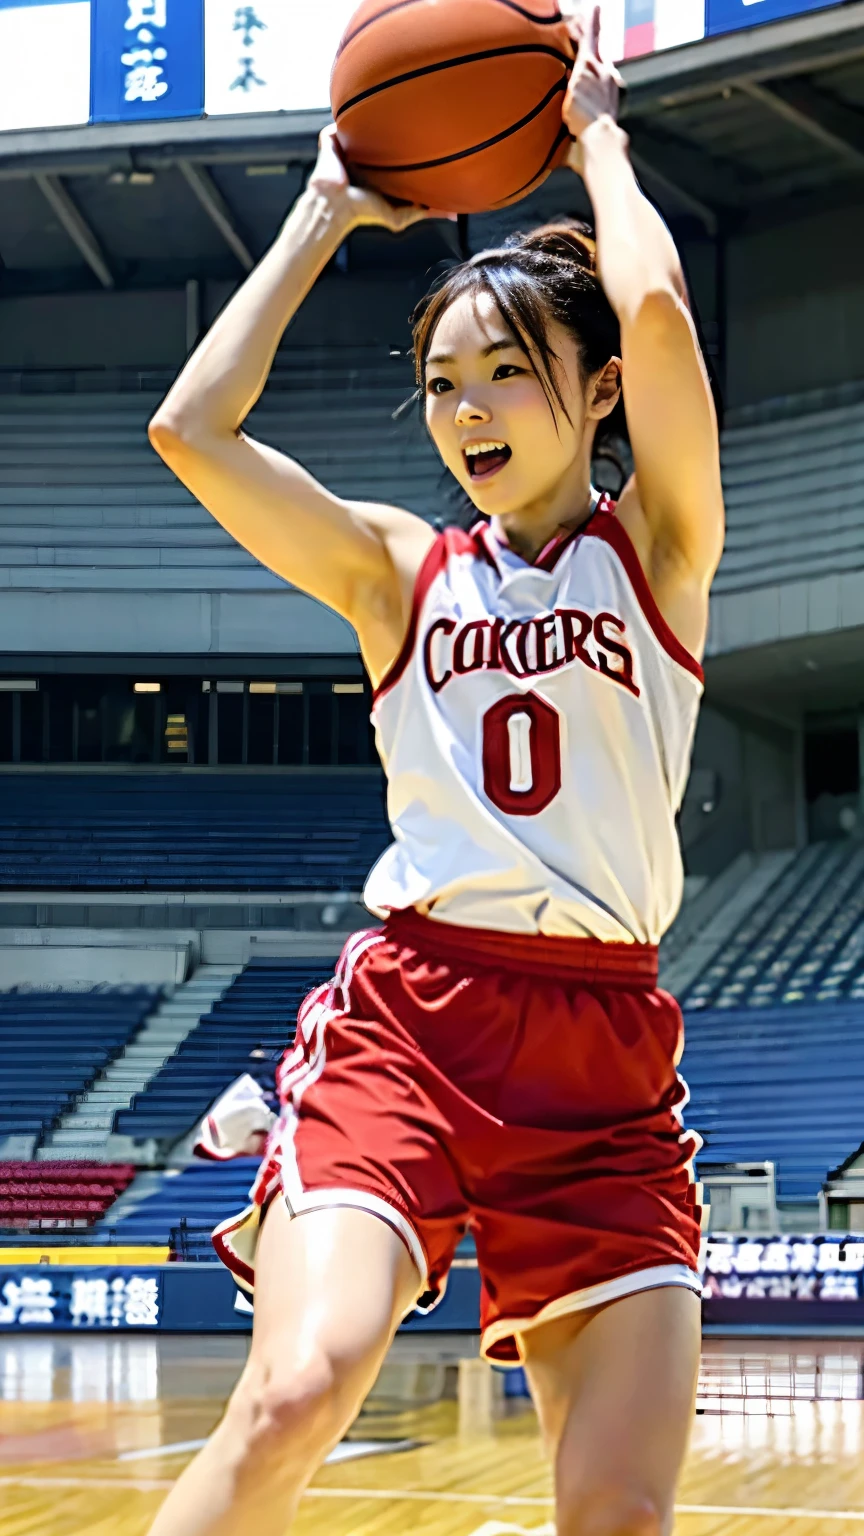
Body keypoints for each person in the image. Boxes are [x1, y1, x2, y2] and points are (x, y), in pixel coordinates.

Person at [146, 7, 725, 1534]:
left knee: (621, 1516)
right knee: (291, 1393)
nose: (470, 409)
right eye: (446, 383)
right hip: (419, 1017)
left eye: (511, 375)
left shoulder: (659, 552)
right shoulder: (400, 571)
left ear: (594, 395)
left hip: (604, 1063)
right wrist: (327, 206)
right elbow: (191, 428)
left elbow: (655, 315)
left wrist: (596, 133)